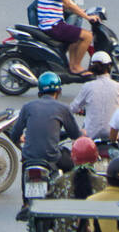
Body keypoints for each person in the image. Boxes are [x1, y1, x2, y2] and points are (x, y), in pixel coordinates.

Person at [10, 72, 82, 219]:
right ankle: (66, 198)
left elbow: (14, 134)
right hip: (52, 158)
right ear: (59, 91)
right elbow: (75, 134)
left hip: (30, 158)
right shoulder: (63, 108)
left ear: (40, 92)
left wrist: (20, 139)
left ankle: (25, 203)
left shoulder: (28, 106)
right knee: (71, 166)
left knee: (26, 167)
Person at [36, 0, 98, 76]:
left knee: (75, 35)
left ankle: (72, 65)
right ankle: (76, 67)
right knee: (87, 36)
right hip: (55, 22)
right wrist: (87, 16)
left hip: (52, 19)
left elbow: (63, 4)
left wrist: (81, 10)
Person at [47, 136, 110, 232]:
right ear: (96, 158)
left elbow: (46, 208)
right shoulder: (104, 183)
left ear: (72, 157)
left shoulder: (60, 181)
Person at [69, 52, 119, 141]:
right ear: (109, 67)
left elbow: (72, 108)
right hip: (113, 137)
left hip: (91, 137)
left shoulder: (87, 86)